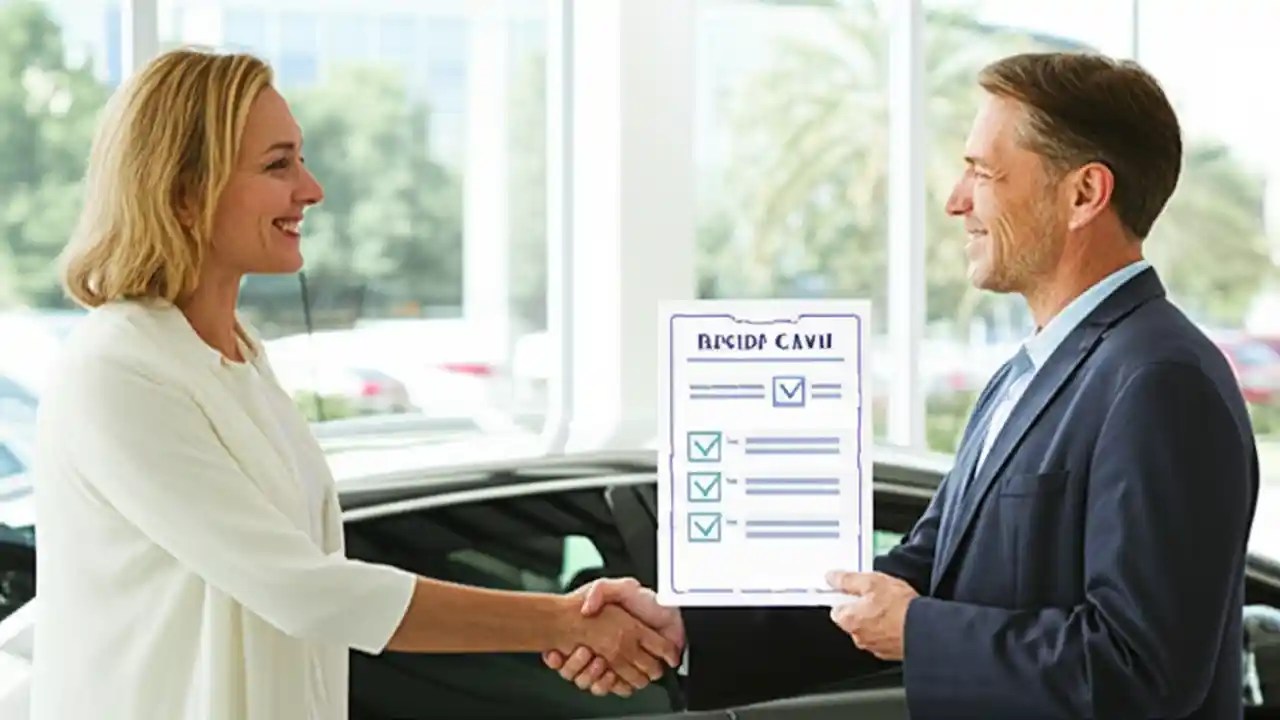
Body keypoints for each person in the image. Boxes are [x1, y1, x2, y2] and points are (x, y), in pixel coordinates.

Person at [545, 51, 1259, 719]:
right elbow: (922, 572)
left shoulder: (1161, 382)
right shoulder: (1029, 374)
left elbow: (1141, 668)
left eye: (983, 172)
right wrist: (685, 626)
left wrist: (917, 630)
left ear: (1084, 193)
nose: (955, 201)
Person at [30, 47, 678, 720]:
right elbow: (305, 591)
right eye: (278, 165)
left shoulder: (237, 358)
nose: (311, 189)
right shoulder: (117, 371)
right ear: (186, 193)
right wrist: (565, 621)